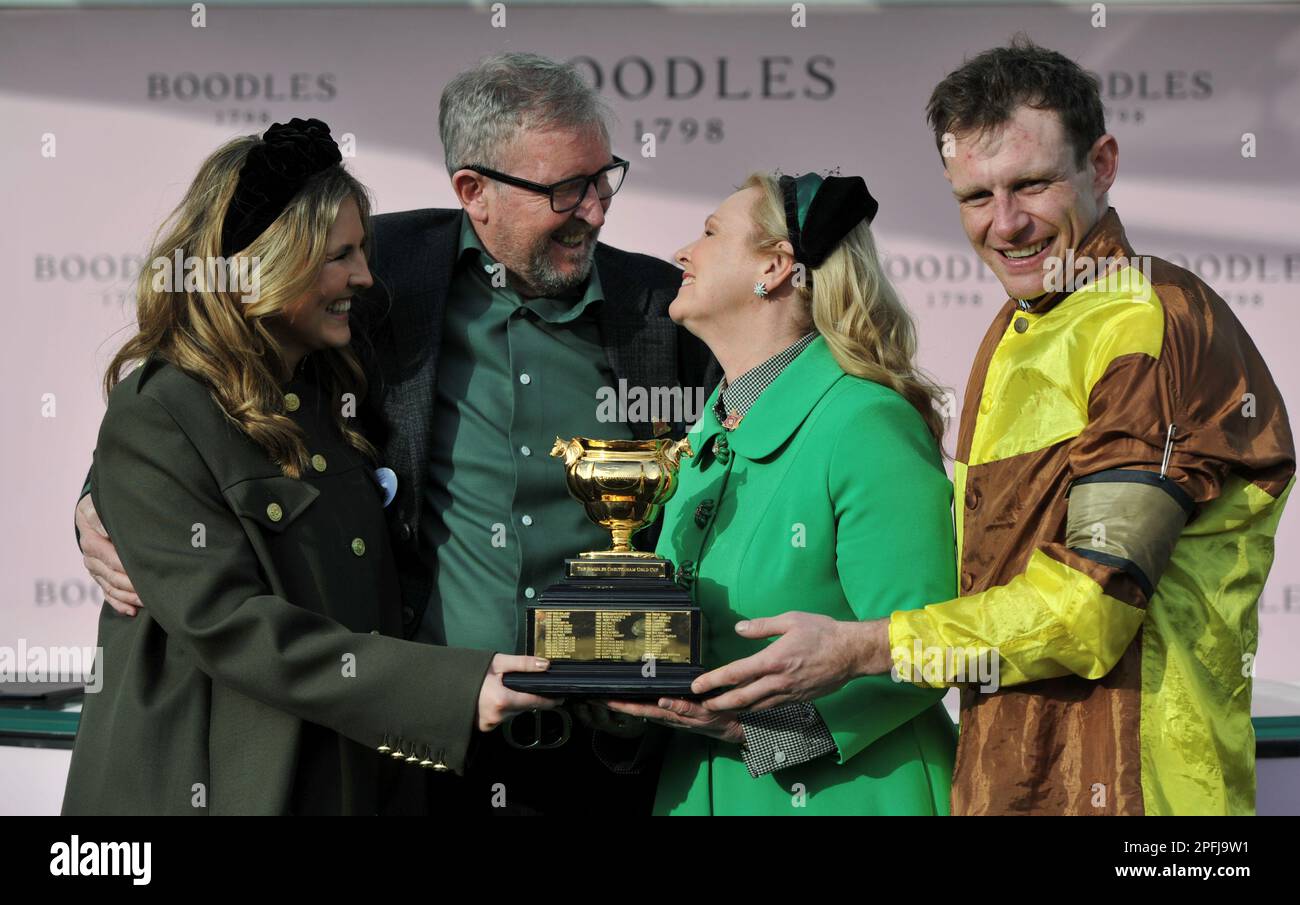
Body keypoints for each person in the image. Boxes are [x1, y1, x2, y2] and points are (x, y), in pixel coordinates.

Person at [74, 54, 719, 816]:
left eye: (603, 177)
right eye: (563, 190)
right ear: (473, 192)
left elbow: (739, 468)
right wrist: (96, 503)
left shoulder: (663, 309)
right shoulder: (384, 278)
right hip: (416, 754)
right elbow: (198, 398)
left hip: (599, 758)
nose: (595, 209)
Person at [688, 38, 1296, 816]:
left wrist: (863, 647)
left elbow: (1090, 608)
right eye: (976, 197)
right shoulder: (1018, 329)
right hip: (1009, 787)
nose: (1005, 224)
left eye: (1032, 185)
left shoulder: (1148, 319)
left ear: (1102, 163)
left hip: (1148, 805)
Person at [63, 118, 557, 816]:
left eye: (363, 250)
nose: (364, 275)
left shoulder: (336, 386)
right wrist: (448, 688)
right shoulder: (164, 410)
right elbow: (233, 623)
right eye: (338, 256)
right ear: (265, 263)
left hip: (352, 776)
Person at [605, 172, 958, 815]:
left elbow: (930, 648)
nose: (683, 253)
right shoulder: (702, 438)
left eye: (710, 234)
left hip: (853, 797)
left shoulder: (865, 423)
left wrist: (763, 732)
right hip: (697, 788)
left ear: (773, 267)